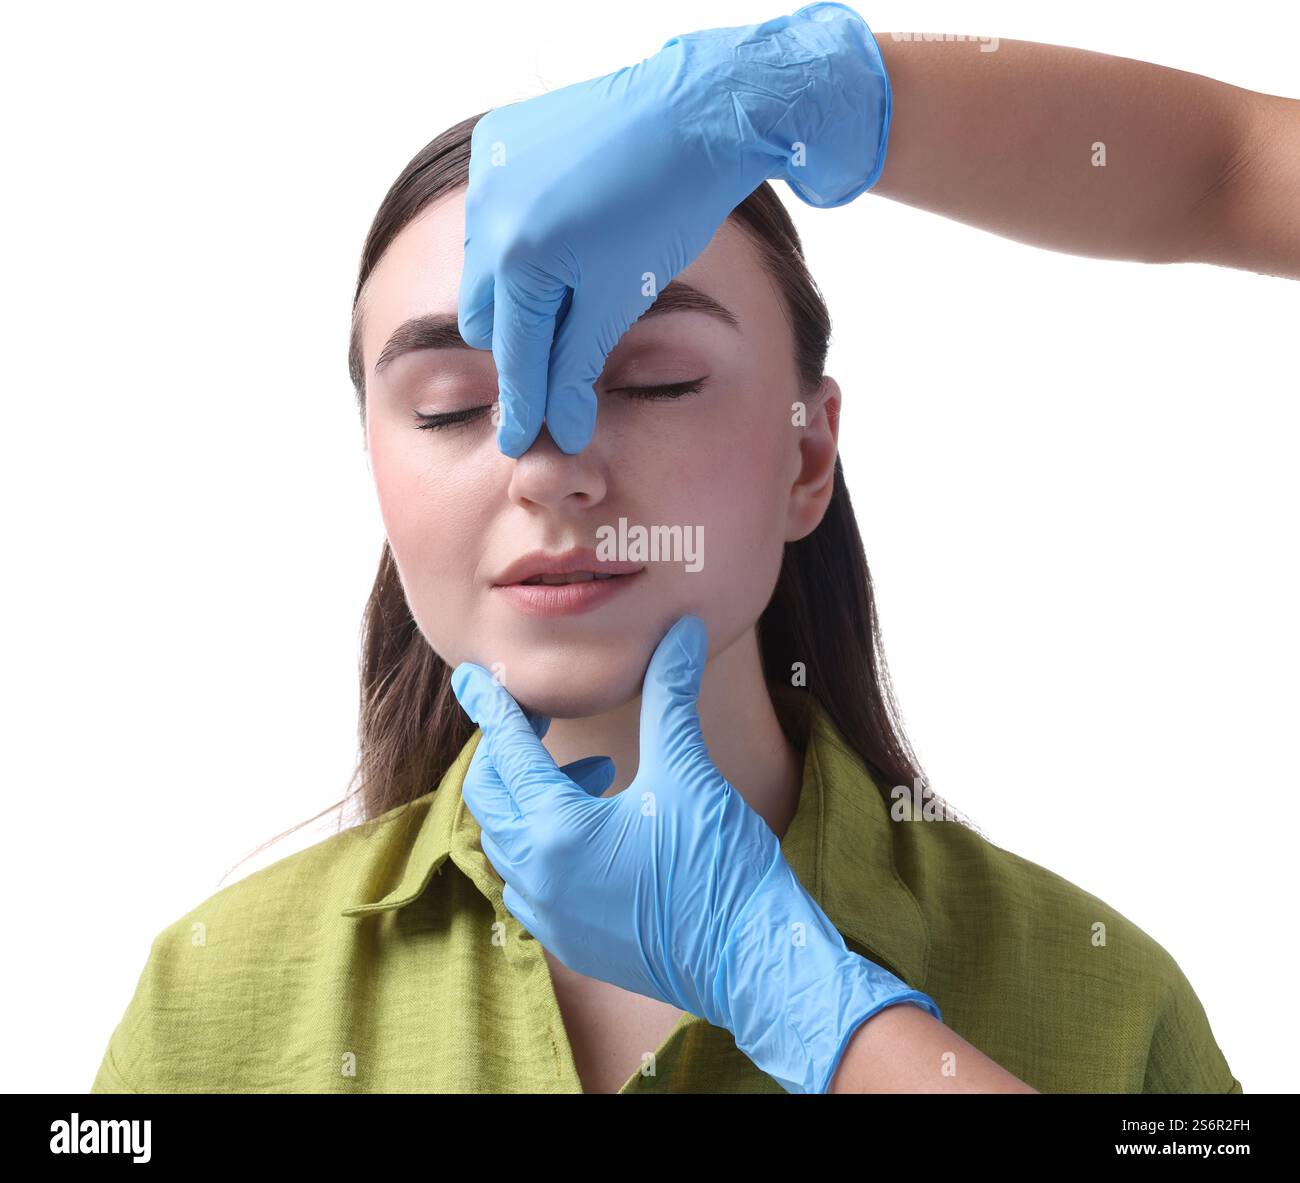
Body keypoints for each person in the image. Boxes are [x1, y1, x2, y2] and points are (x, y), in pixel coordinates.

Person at [90, 10, 1270, 1094]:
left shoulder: (1111, 1011)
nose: (547, 464)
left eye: (652, 379)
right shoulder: (205, 1012)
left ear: (808, 459)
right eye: (452, 405)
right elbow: (1228, 168)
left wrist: (808, 1003)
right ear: (376, 478)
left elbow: (1238, 170)